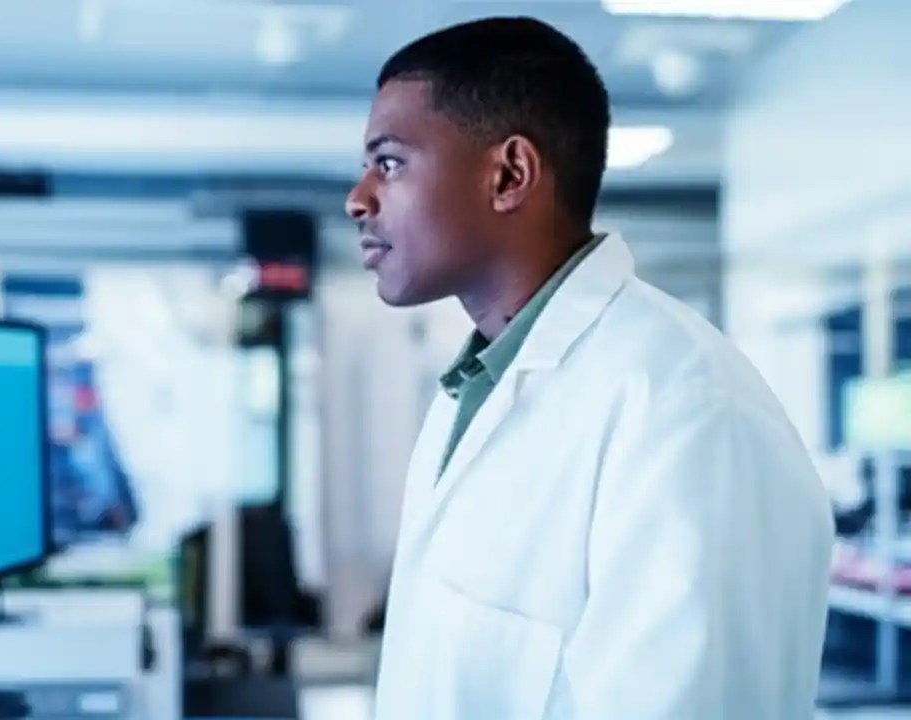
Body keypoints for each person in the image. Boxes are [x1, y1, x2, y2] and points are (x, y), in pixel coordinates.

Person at [346, 17, 835, 719]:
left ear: (510, 174)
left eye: (389, 162)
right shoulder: (475, 390)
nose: (358, 198)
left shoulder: (687, 410)